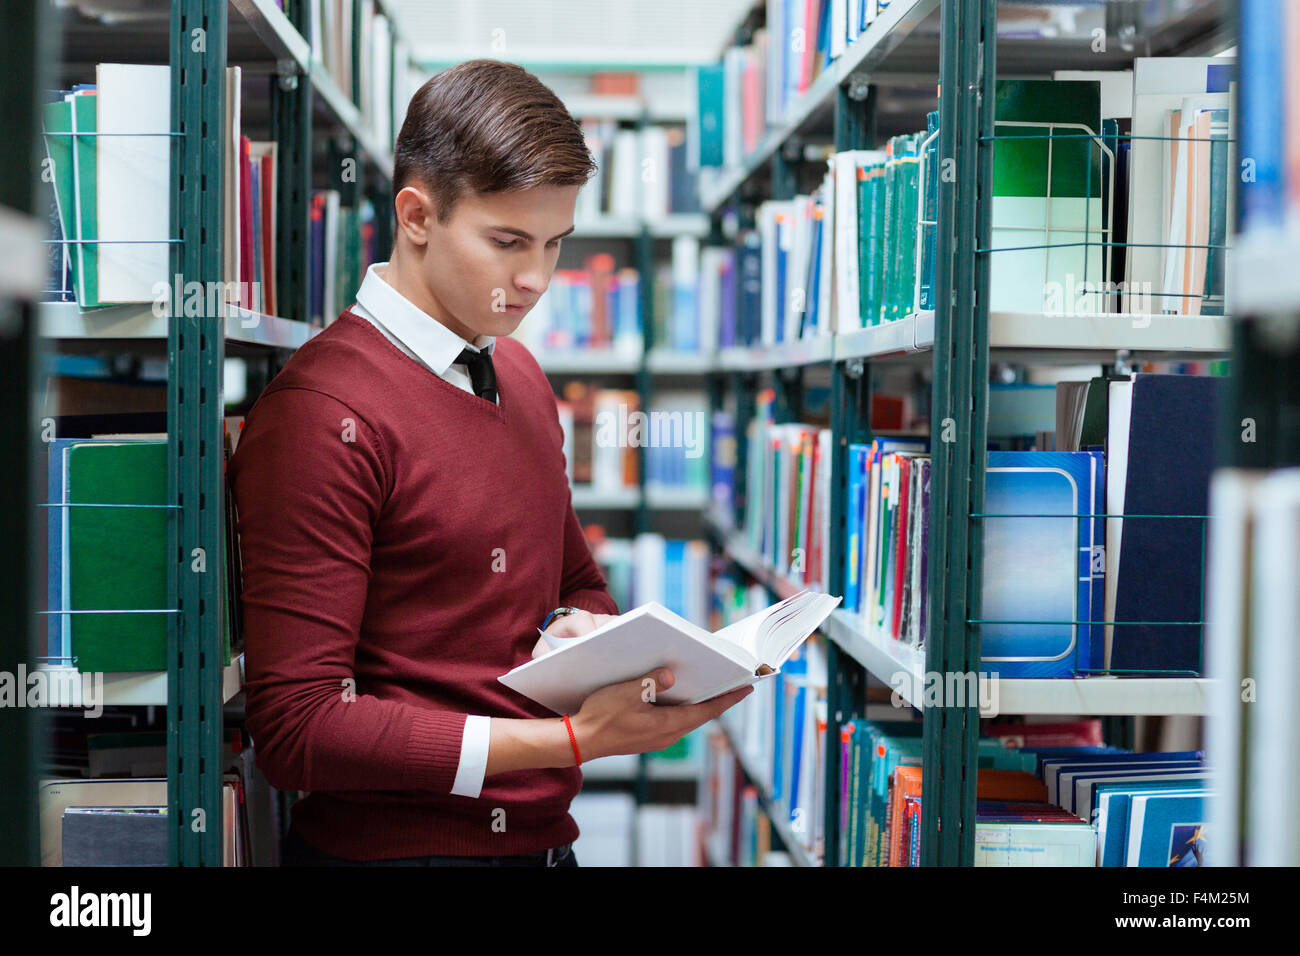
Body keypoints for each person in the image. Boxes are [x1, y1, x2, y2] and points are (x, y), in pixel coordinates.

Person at [227, 58, 752, 868]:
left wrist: (576, 631)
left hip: (546, 848)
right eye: (507, 242)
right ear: (417, 215)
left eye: (554, 244)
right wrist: (571, 737)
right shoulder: (321, 414)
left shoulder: (522, 377)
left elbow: (574, 581)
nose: (536, 279)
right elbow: (299, 730)